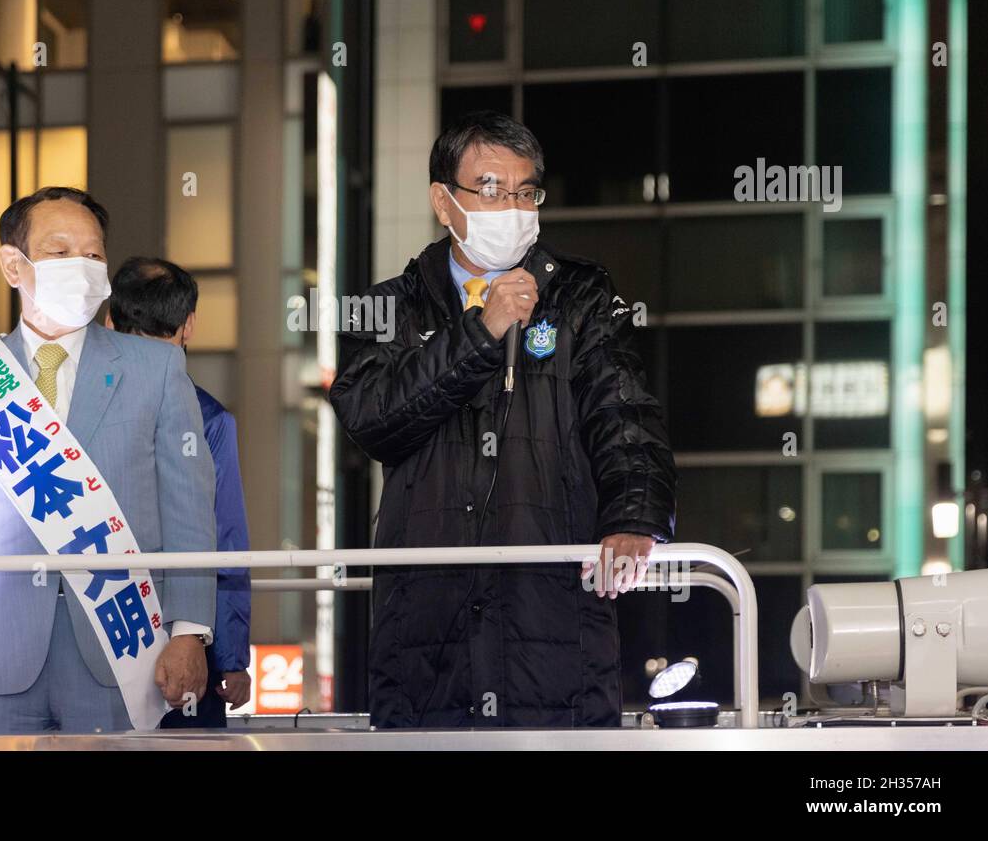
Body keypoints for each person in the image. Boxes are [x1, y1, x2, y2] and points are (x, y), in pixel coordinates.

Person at [328, 111, 677, 728]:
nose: (511, 206)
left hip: (551, 613)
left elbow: (624, 413)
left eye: (524, 192)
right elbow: (371, 419)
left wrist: (633, 518)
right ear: (443, 201)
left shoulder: (580, 297)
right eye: (489, 189)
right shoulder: (385, 308)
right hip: (426, 620)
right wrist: (480, 332)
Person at [0, 187, 217, 734]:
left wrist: (189, 630)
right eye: (59, 251)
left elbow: (189, 510)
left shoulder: (157, 370)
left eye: (94, 255)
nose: (82, 266)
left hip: (120, 649)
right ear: (13, 264)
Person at [107, 257, 253, 726]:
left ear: (108, 322)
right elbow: (224, 540)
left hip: (93, 630)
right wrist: (231, 658)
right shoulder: (209, 419)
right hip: (181, 640)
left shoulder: (72, 413)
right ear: (188, 326)